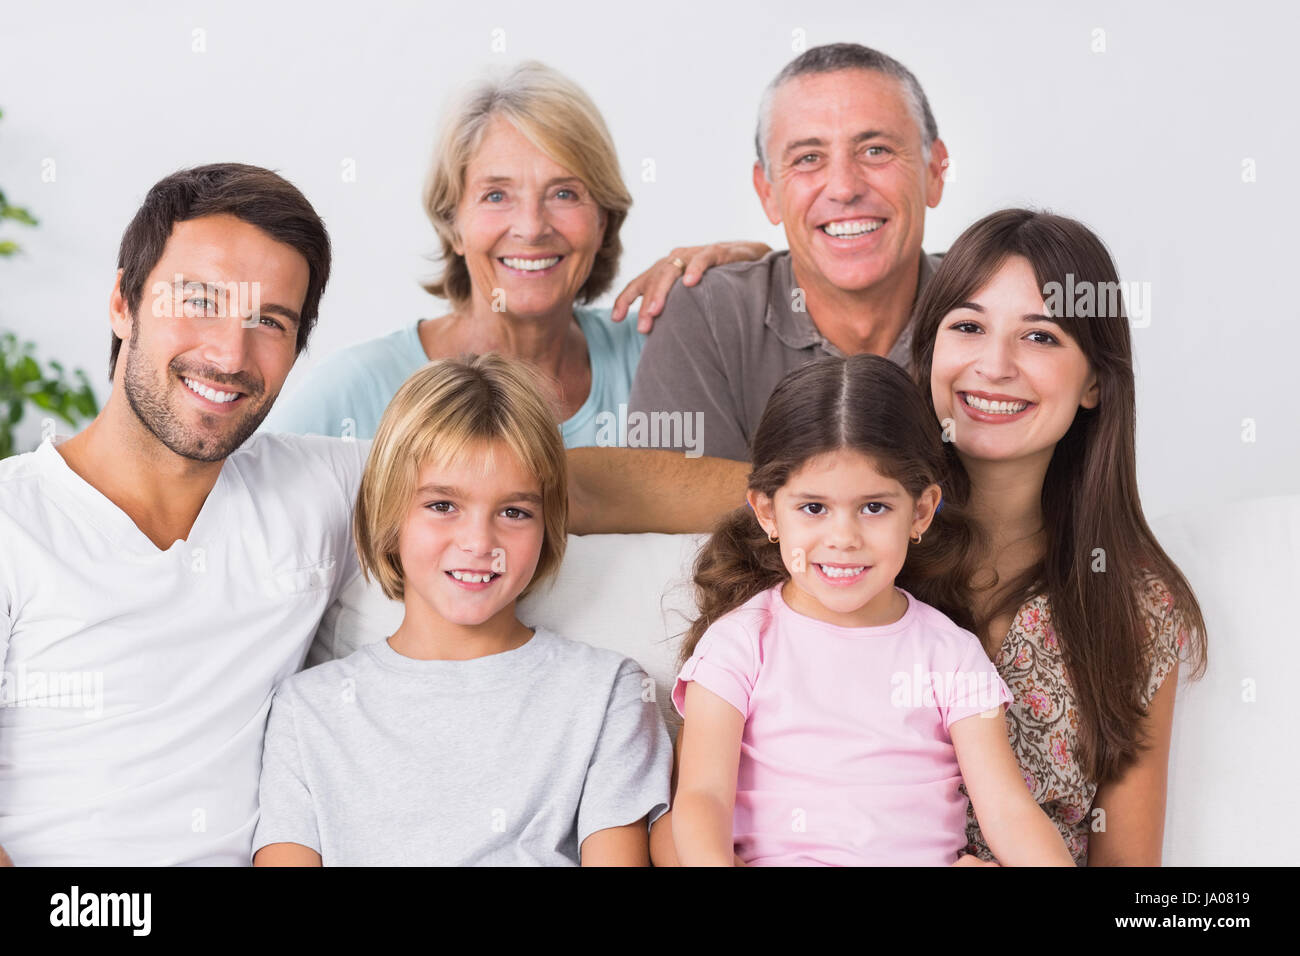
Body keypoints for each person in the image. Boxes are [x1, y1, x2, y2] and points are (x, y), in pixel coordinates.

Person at [0, 163, 366, 865]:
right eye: (199, 300)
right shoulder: (15, 525)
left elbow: (530, 475)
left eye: (269, 321)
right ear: (122, 302)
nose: (230, 354)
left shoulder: (319, 487)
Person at [252, 356, 671, 866]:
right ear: (389, 513)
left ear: (546, 527)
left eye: (514, 512)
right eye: (443, 505)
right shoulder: (307, 710)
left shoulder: (607, 692)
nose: (479, 542)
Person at [669, 354, 1074, 866]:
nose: (844, 539)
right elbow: (702, 797)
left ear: (921, 511)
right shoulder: (738, 645)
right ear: (769, 512)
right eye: (813, 508)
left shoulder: (950, 654)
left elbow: (1009, 812)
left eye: (874, 507)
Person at [896, 208, 1208, 864]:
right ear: (929, 353)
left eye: (1040, 338)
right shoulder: (850, 547)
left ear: (1095, 380)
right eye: (968, 327)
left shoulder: (1137, 612)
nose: (995, 365)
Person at [261, 60, 768, 447]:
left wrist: (757, 278)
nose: (531, 228)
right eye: (496, 195)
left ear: (603, 220)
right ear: (453, 224)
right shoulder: (357, 391)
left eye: (565, 193)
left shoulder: (664, 357)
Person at [567, 42, 949, 528]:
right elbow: (680, 537)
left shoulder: (994, 304)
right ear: (767, 191)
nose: (844, 186)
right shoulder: (705, 314)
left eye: (876, 150)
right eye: (808, 158)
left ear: (935, 172)